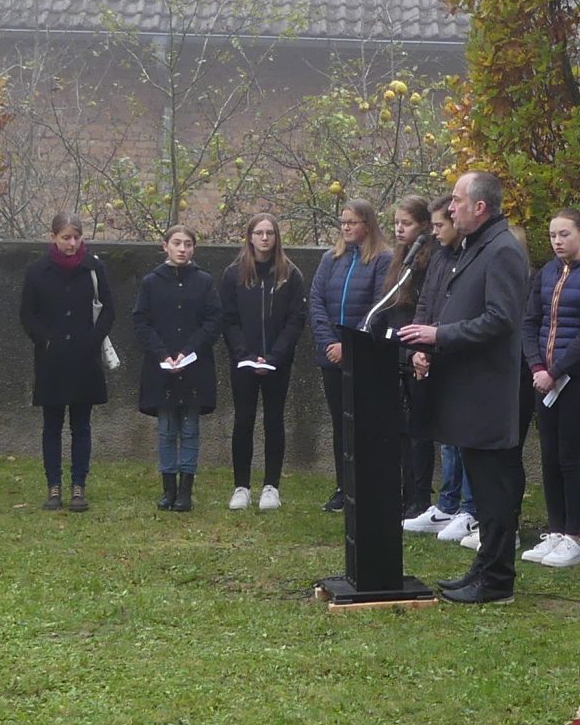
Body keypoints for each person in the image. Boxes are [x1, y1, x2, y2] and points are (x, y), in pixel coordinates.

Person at [397, 171, 530, 604]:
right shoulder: (476, 246)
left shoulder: (504, 250)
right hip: (468, 389)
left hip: (489, 392)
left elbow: (500, 319)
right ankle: (483, 568)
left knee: (494, 491)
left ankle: (496, 580)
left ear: (480, 208)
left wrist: (440, 336)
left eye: (456, 200)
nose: (450, 208)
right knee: (484, 488)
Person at [522, 208, 580, 568]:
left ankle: (573, 536)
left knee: (569, 455)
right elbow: (530, 322)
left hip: (577, 379)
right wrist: (537, 366)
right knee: (548, 455)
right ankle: (555, 530)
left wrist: (556, 371)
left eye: (564, 234)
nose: (558, 242)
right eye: (553, 236)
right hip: (543, 378)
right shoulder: (546, 272)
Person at [17, 212, 114, 513]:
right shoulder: (37, 271)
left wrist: (92, 340)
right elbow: (27, 314)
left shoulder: (94, 268)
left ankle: (78, 486)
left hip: (85, 358)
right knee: (52, 426)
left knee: (81, 425)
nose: (72, 244)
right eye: (65, 238)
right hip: (51, 360)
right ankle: (53, 485)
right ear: (53, 237)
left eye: (76, 238)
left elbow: (109, 310)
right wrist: (46, 341)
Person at [308, 197, 393, 512]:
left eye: (352, 222)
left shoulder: (383, 259)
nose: (345, 227)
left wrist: (350, 345)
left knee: (365, 423)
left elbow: (379, 305)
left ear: (367, 224)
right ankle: (344, 487)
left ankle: (369, 488)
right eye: (342, 221)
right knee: (339, 422)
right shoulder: (331, 258)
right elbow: (316, 300)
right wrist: (329, 343)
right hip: (331, 356)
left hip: (364, 355)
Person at [217, 213, 306, 512]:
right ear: (250, 236)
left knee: (273, 421)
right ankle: (241, 486)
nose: (264, 238)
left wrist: (274, 357)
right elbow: (228, 320)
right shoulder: (233, 274)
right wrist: (244, 354)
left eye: (270, 232)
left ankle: (271, 486)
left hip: (277, 363)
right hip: (243, 362)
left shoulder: (290, 275)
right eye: (259, 232)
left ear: (277, 237)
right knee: (243, 421)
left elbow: (295, 320)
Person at [134, 224, 221, 512]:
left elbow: (212, 321)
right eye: (177, 243)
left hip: (194, 365)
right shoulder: (151, 282)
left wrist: (188, 352)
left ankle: (186, 490)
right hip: (162, 366)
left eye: (188, 244)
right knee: (167, 429)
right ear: (165, 246)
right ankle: (168, 488)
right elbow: (141, 322)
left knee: (191, 428)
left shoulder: (205, 282)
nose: (182, 249)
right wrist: (163, 354)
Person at [402, 201, 476, 540]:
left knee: (464, 438)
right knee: (445, 437)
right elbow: (424, 304)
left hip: (457, 353)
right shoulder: (437, 258)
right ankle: (446, 504)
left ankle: (469, 507)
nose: (434, 232)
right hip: (432, 353)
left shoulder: (468, 259)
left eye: (439, 226)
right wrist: (418, 347)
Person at [382, 197, 437, 523]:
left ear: (424, 227)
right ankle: (402, 494)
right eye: (396, 223)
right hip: (396, 349)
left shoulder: (430, 261)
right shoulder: (400, 260)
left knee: (419, 431)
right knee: (400, 430)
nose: (399, 229)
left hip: (419, 352)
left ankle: (419, 496)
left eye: (407, 223)